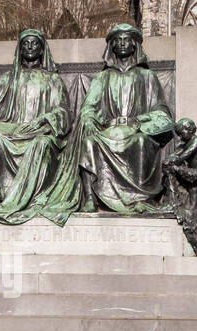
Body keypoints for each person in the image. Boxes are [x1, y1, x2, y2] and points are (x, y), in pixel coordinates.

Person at [0, 29, 77, 225]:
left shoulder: (53, 80)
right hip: (12, 135)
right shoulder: (8, 79)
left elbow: (63, 111)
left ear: (42, 50)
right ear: (19, 49)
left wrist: (44, 119)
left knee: (42, 144)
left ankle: (34, 197)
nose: (29, 46)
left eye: (34, 43)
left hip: (38, 135)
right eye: (25, 43)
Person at [72, 23, 174, 213]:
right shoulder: (103, 78)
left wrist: (141, 121)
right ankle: (89, 198)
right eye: (118, 40)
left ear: (135, 45)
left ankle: (141, 198)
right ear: (112, 46)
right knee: (88, 143)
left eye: (127, 39)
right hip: (110, 132)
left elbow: (162, 110)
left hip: (136, 130)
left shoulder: (147, 76)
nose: (123, 43)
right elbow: (89, 107)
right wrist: (88, 118)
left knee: (142, 142)